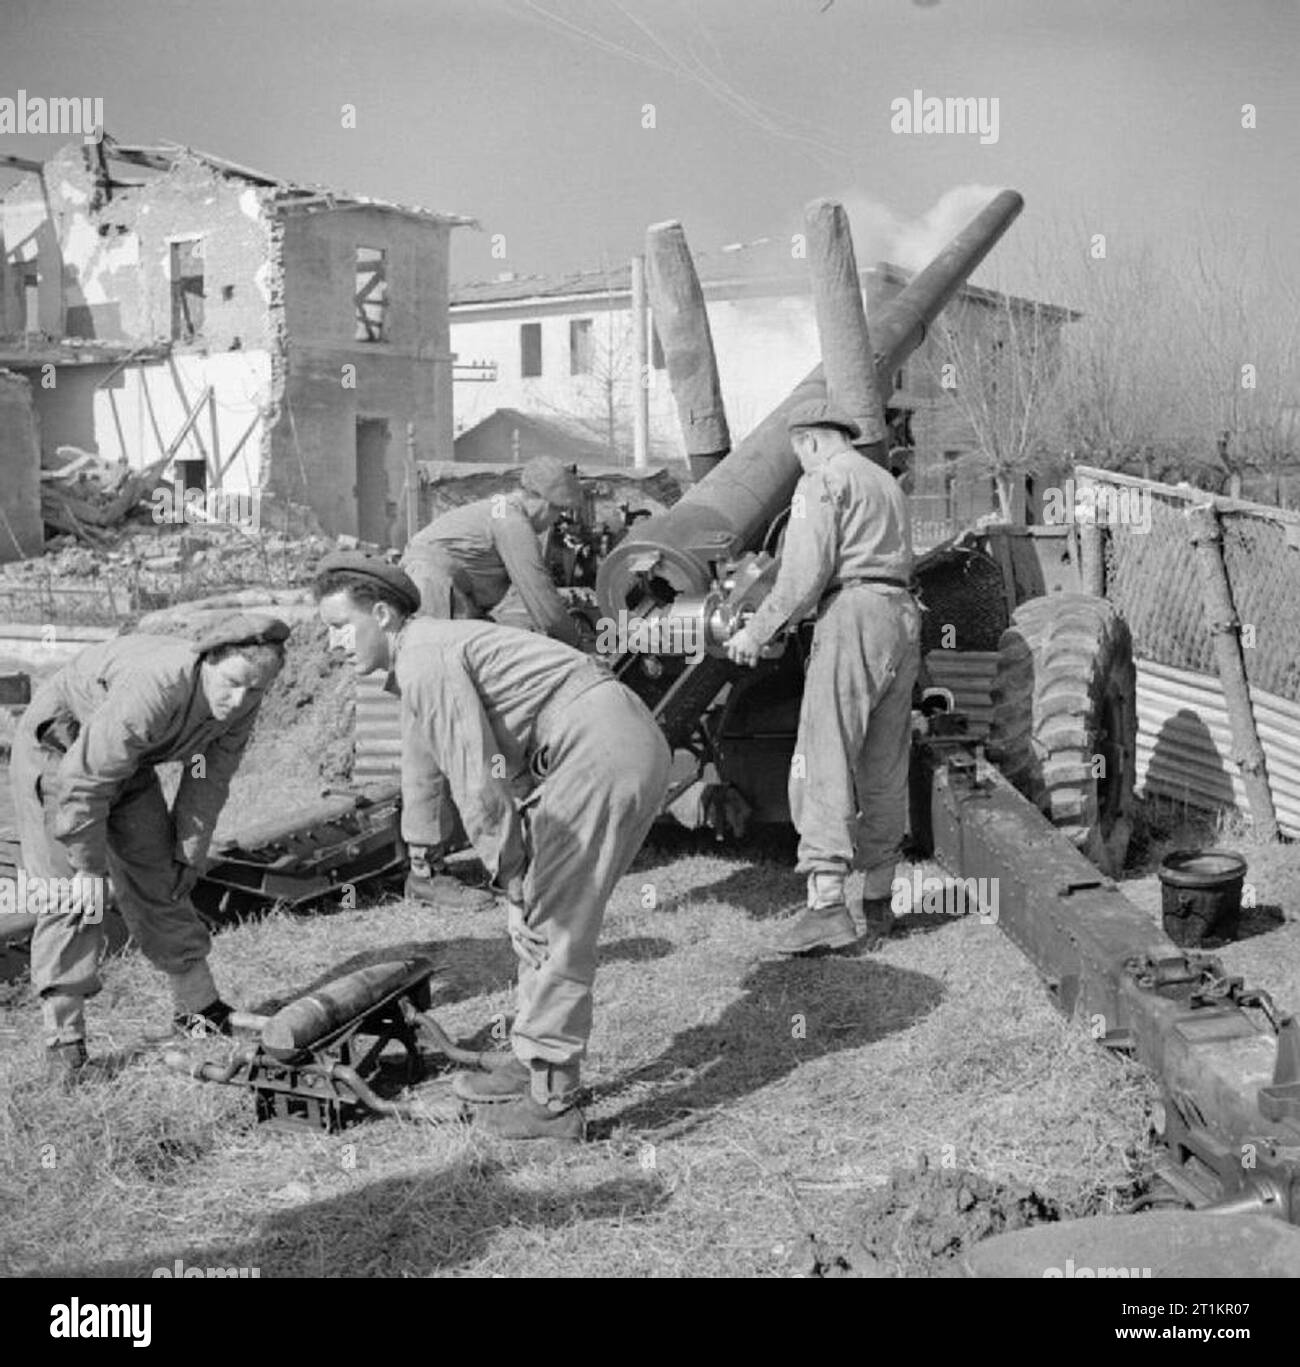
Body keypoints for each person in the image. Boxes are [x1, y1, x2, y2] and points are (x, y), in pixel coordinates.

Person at [313, 552, 671, 1141]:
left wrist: (508, 873)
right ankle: (534, 1062)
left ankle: (553, 1105)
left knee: (555, 920)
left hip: (599, 748)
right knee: (539, 908)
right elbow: (506, 762)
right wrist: (518, 865)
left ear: (381, 614)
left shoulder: (423, 658)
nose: (332, 645)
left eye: (339, 627)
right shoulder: (428, 645)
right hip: (596, 740)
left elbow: (475, 778)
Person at [13, 613, 289, 1084]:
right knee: (73, 899)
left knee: (161, 876)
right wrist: (86, 869)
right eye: (233, 684)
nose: (240, 700)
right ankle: (66, 1047)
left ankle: (198, 1010)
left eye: (256, 690)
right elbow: (86, 781)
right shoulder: (156, 687)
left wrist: (189, 852)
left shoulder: (243, 700)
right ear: (208, 661)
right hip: (61, 755)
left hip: (126, 762)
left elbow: (207, 776)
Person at [725, 399, 921, 955]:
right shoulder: (884, 482)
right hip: (902, 614)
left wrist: (754, 633)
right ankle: (879, 897)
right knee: (884, 760)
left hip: (853, 613)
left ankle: (827, 905)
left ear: (809, 442)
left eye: (798, 455)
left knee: (824, 754)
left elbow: (802, 576)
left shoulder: (822, 482)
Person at [399, 454, 584, 647]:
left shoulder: (500, 507)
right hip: (436, 589)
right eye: (557, 513)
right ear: (546, 504)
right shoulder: (512, 523)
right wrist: (573, 644)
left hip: (429, 584)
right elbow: (538, 592)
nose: (553, 522)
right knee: (441, 665)